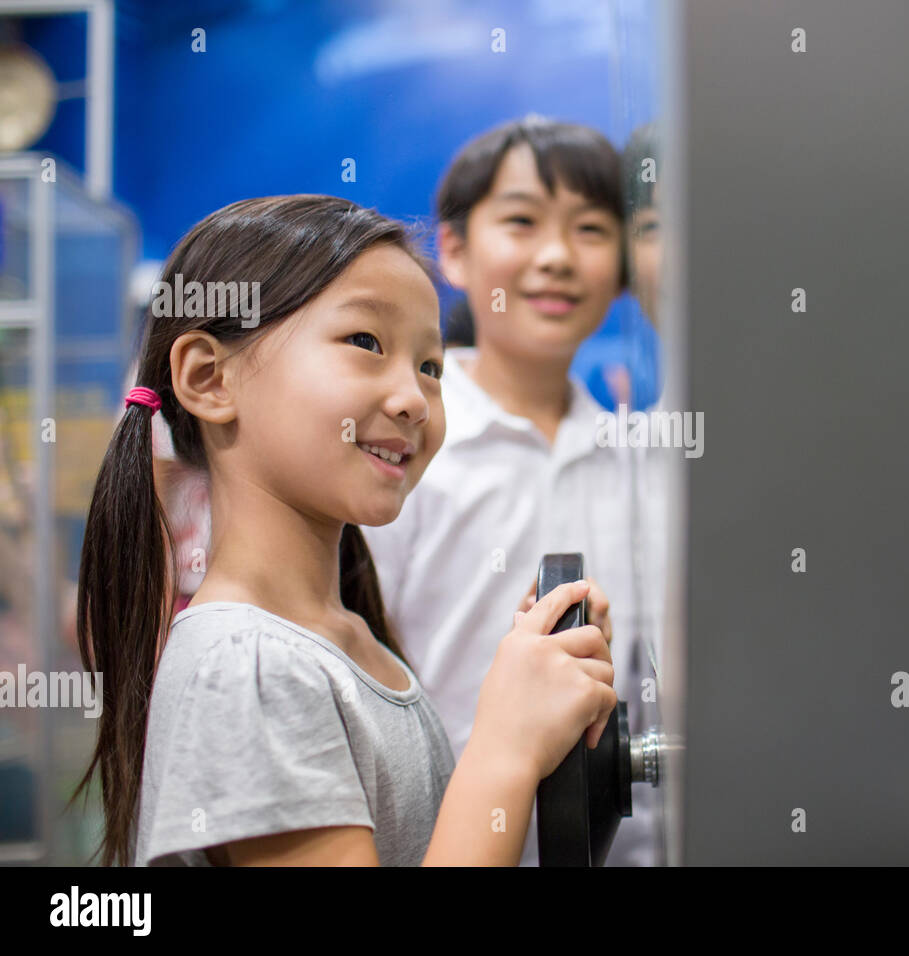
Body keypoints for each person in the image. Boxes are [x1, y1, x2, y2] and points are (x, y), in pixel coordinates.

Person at [73, 194, 618, 867]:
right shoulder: (246, 668)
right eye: (365, 342)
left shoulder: (352, 640)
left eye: (431, 367)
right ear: (209, 378)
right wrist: (506, 746)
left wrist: (538, 698)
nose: (414, 399)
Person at [362, 116, 663, 865]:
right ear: (456, 250)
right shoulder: (400, 440)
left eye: (592, 231)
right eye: (522, 222)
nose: (557, 257)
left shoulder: (639, 460)